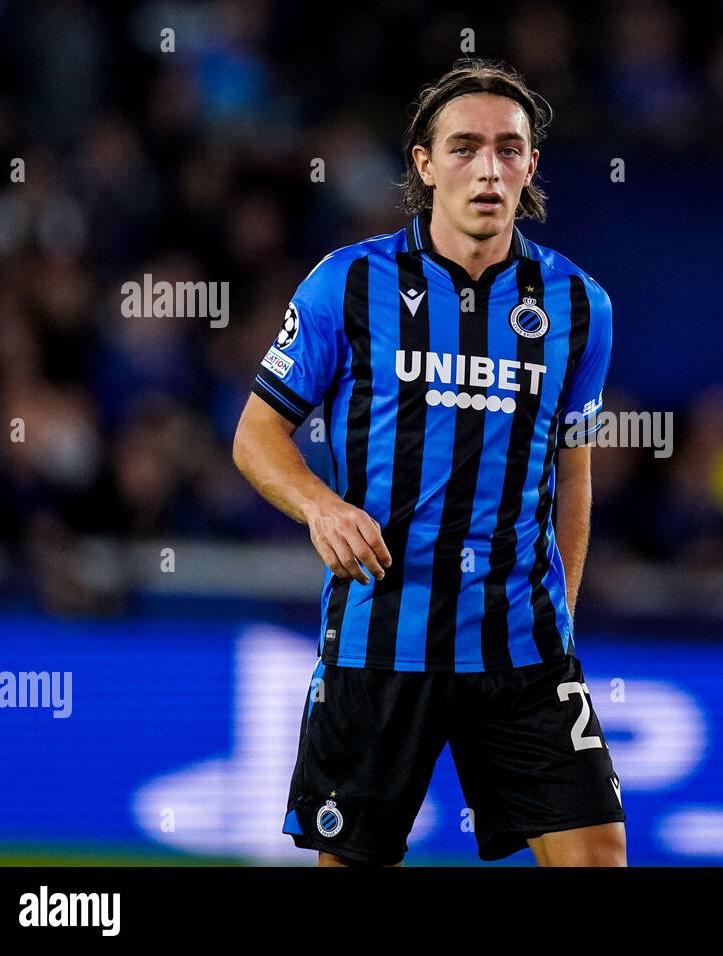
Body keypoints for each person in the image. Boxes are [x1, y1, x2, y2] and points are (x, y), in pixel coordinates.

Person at [232, 59, 624, 866]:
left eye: (509, 149)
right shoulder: (347, 284)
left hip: (522, 647)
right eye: (465, 147)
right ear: (423, 163)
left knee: (598, 854)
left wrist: (564, 616)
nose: (489, 168)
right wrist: (322, 507)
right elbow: (256, 436)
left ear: (531, 166)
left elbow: (571, 475)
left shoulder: (580, 306)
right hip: (382, 639)